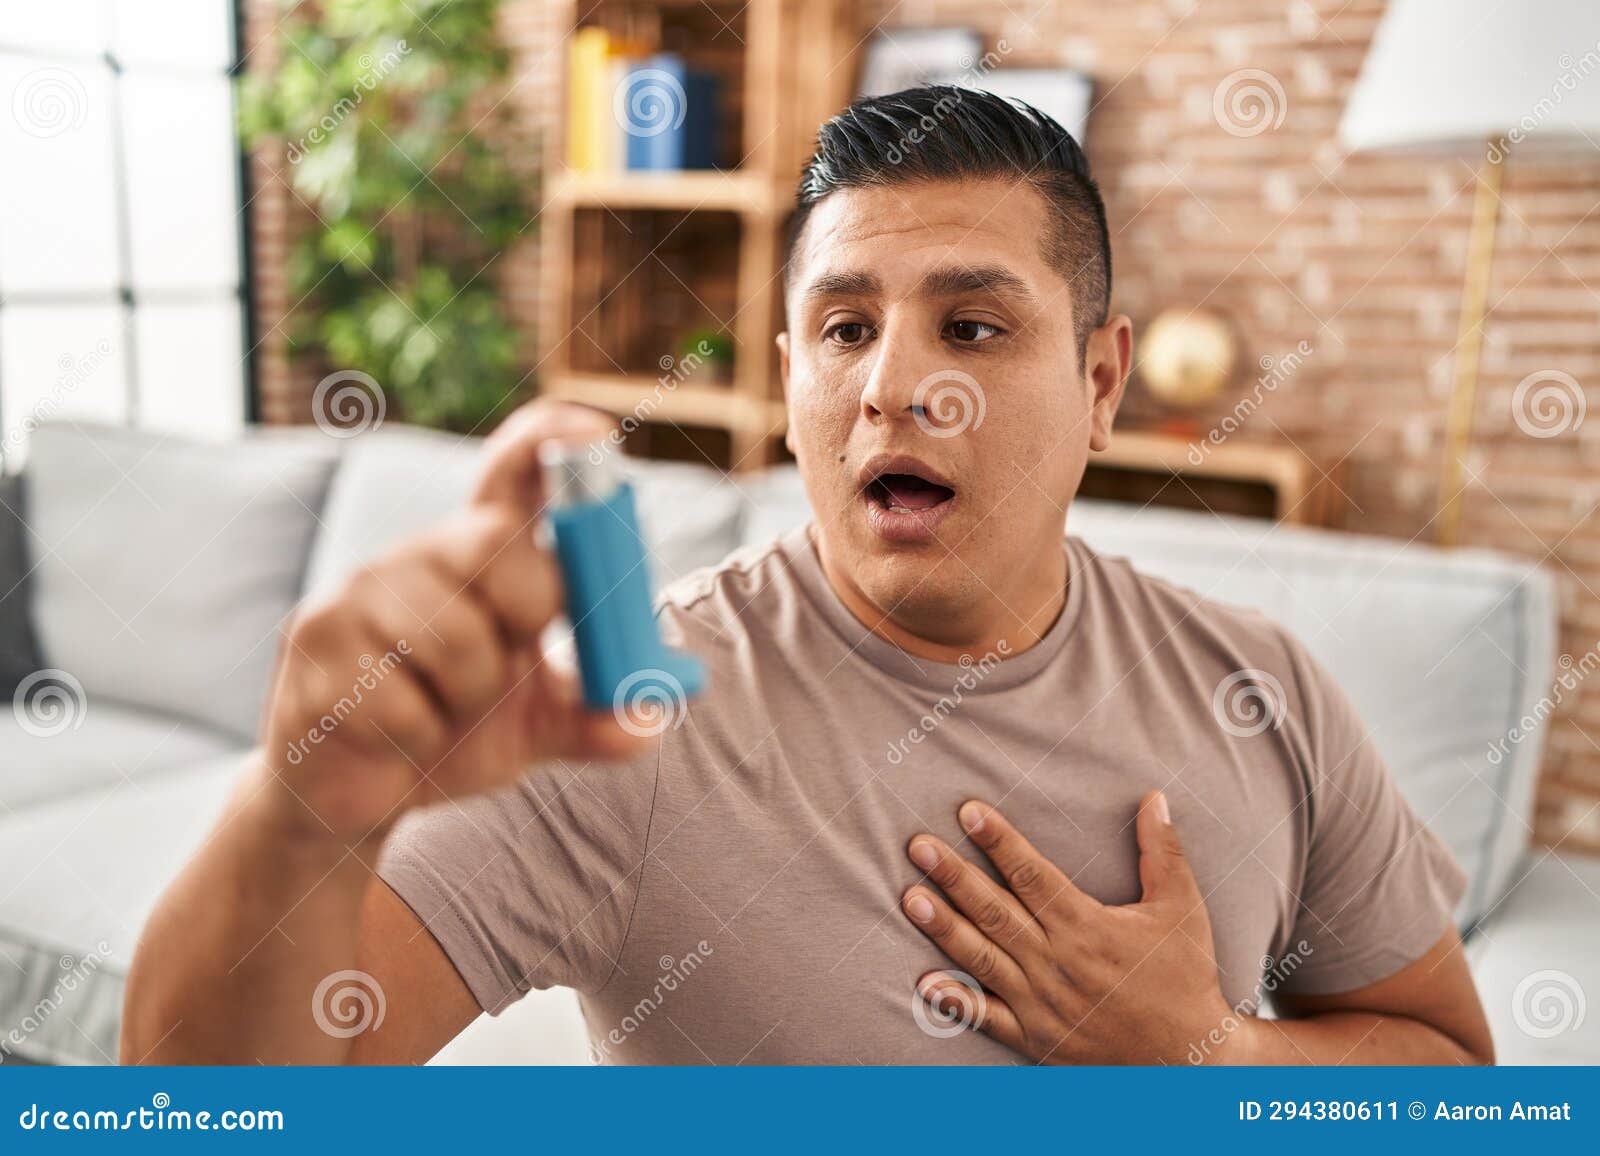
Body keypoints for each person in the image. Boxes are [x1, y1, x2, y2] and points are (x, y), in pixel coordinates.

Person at [123, 87, 1492, 1065]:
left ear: (1100, 382)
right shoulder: (621, 721)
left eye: (972, 326)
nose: (893, 385)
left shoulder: (1260, 685)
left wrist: (1208, 1051)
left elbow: (1455, 1079)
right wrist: (298, 814)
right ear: (790, 383)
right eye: (843, 329)